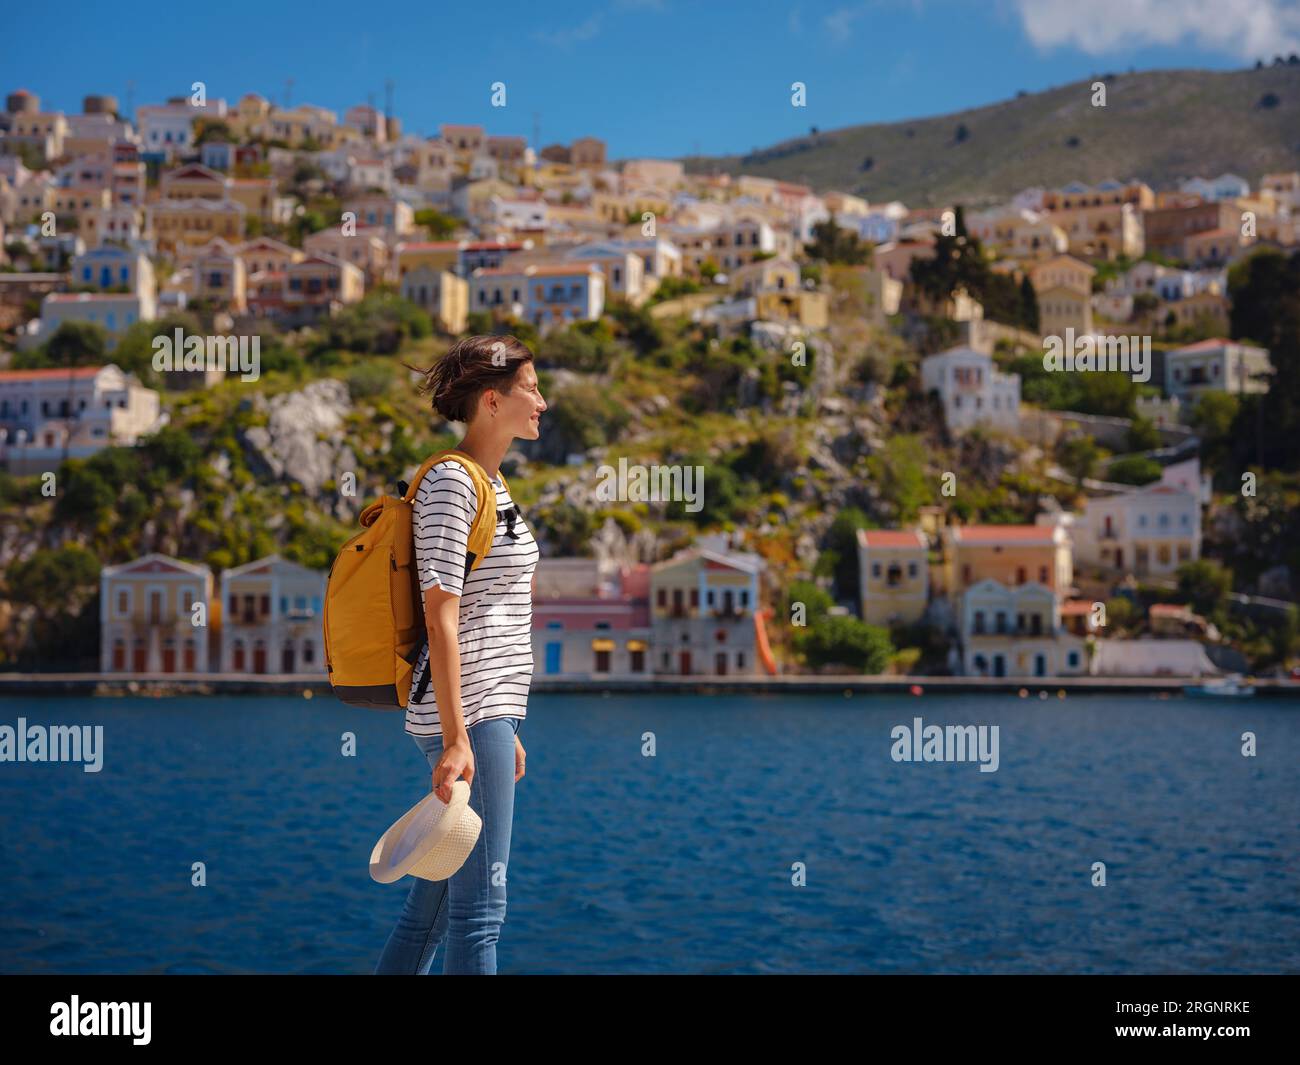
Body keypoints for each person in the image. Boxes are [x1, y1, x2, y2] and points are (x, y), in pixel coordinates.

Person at [375, 334, 545, 975]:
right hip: (467, 716)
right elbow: (440, 615)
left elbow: (489, 615)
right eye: (532, 388)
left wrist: (507, 726)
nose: (543, 402)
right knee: (481, 915)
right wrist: (459, 738)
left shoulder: (492, 483)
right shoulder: (453, 481)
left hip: (484, 714)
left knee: (435, 911)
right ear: (492, 400)